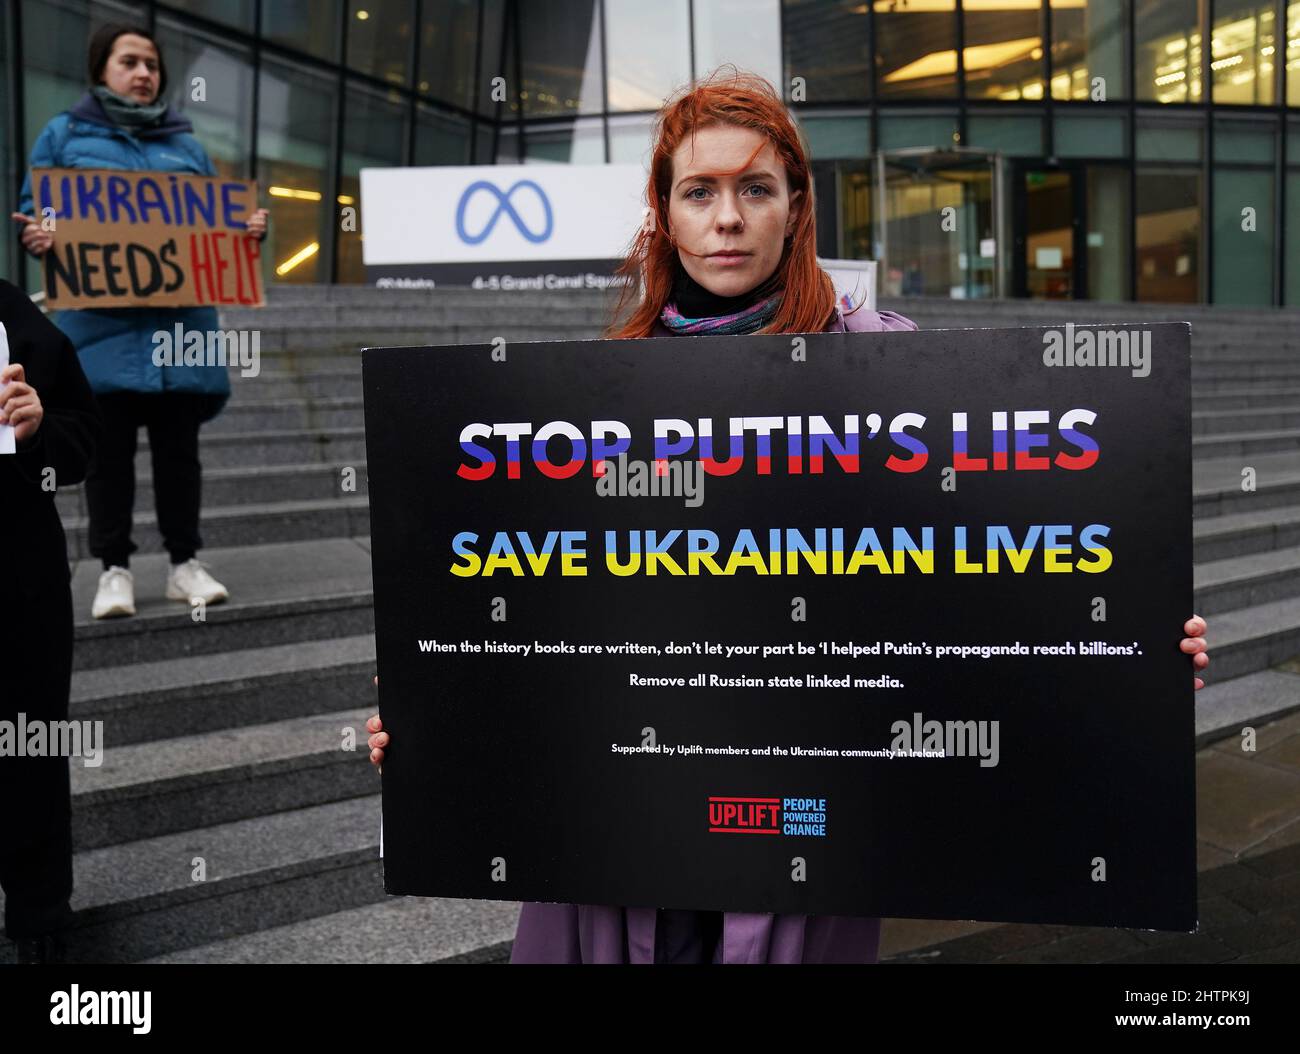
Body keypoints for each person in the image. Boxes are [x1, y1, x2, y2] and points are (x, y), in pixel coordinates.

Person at [365, 70, 1212, 963]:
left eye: (755, 188)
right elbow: (535, 596)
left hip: (809, 828)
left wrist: (1123, 659)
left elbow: (991, 572)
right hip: (616, 841)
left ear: (795, 205)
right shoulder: (589, 397)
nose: (727, 218)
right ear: (665, 212)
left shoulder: (893, 374)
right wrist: (443, 711)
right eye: (699, 191)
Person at [11, 23, 268, 620]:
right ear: (102, 69)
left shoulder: (187, 144)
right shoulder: (62, 135)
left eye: (152, 63)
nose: (144, 72)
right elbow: (36, 211)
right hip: (101, 334)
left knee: (181, 454)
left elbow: (213, 228)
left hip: (181, 332)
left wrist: (245, 231)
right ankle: (114, 570)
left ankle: (185, 563)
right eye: (129, 61)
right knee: (109, 458)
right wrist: (39, 231)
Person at [0, 278, 102, 964]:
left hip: (17, 578)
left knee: (29, 748)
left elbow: (84, 441)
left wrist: (40, 428)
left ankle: (39, 914)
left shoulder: (16, 316)